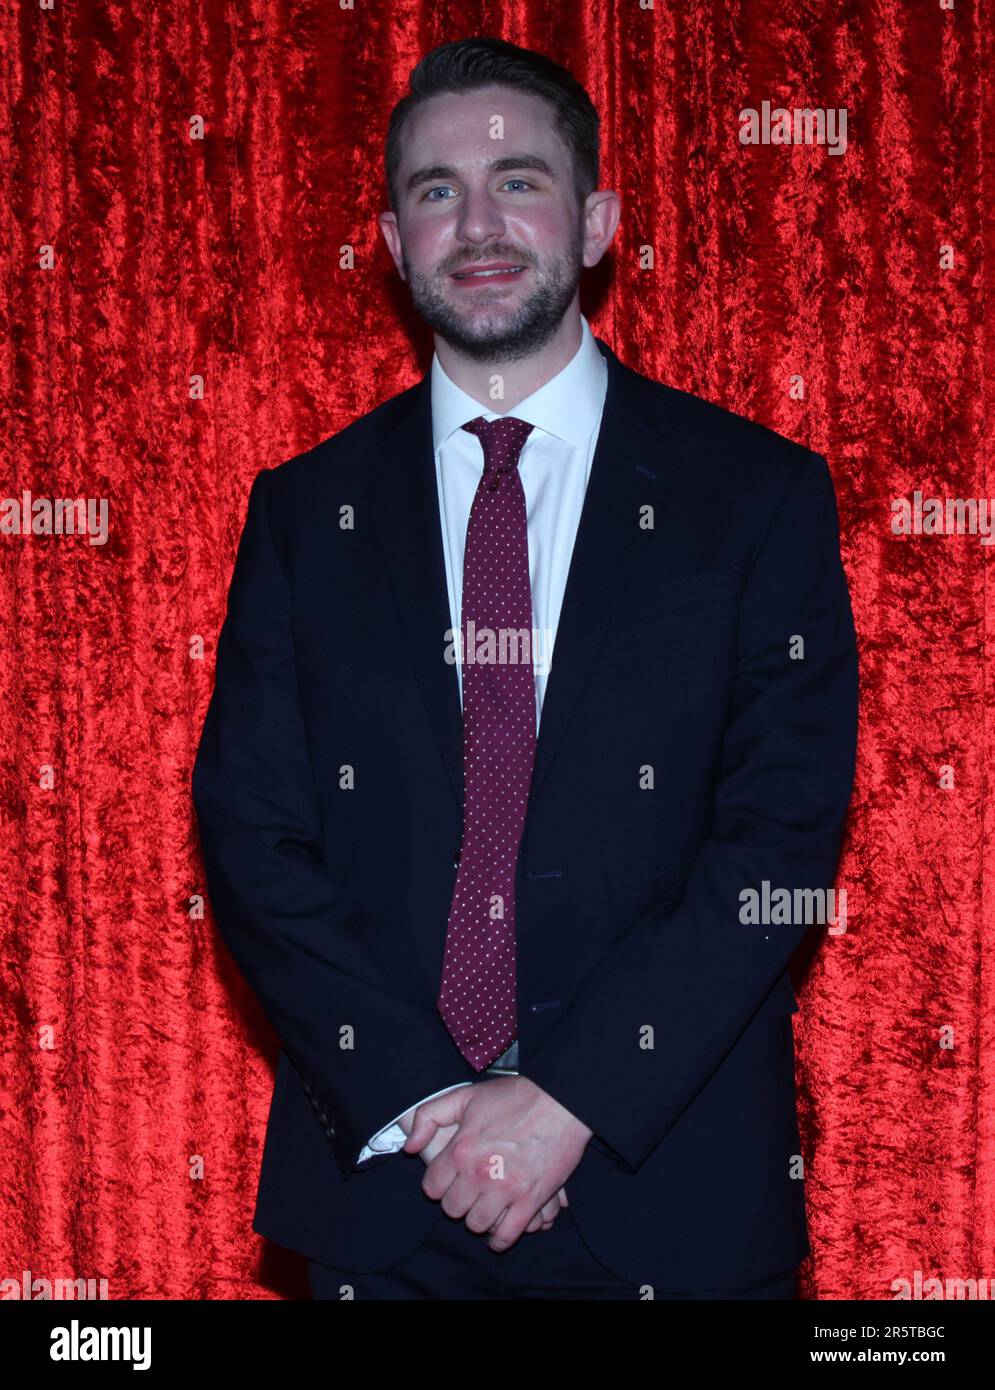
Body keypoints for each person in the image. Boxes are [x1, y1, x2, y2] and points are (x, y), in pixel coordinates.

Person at [191, 36, 859, 1300]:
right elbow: (250, 836)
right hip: (385, 1189)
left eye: (519, 180)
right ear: (392, 244)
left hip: (670, 1199)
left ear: (596, 221)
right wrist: (431, 1100)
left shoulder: (755, 497)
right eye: (436, 190)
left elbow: (777, 843)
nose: (478, 221)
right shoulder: (304, 511)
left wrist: (565, 1104)